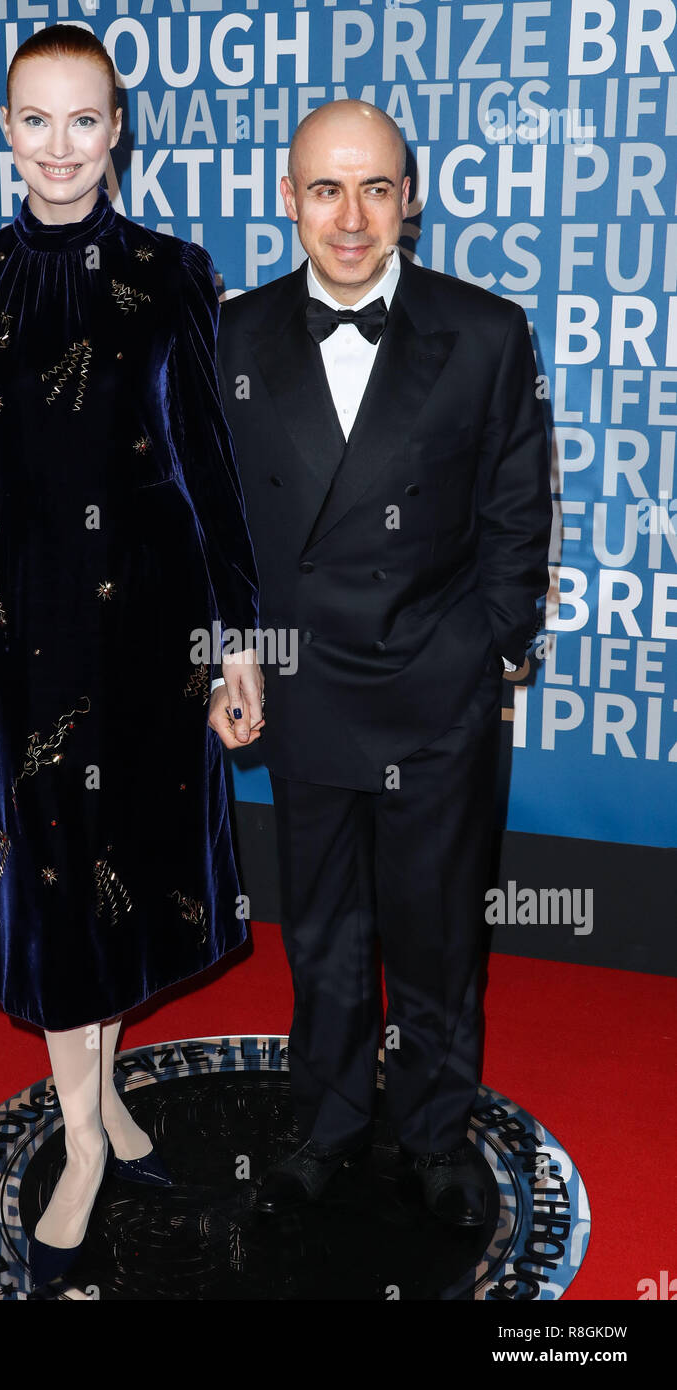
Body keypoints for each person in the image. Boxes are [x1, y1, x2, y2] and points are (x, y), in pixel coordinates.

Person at [0, 23, 263, 1293]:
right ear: (4, 130)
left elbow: (209, 470)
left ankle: (103, 1092)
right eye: (34, 120)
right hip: (23, 628)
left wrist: (237, 639)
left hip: (153, 625)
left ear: (118, 130)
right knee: (58, 872)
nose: (58, 147)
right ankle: (79, 1140)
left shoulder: (177, 274)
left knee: (128, 865)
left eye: (83, 120)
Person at [211, 100, 552, 1228]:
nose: (348, 218)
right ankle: (327, 1120)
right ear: (287, 198)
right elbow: (212, 525)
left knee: (437, 929)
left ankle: (435, 1134)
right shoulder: (233, 335)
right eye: (323, 189)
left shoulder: (487, 331)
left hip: (436, 691)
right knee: (320, 929)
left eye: (372, 189)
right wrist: (233, 653)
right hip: (305, 690)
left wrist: (485, 651)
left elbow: (515, 511)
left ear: (409, 199)